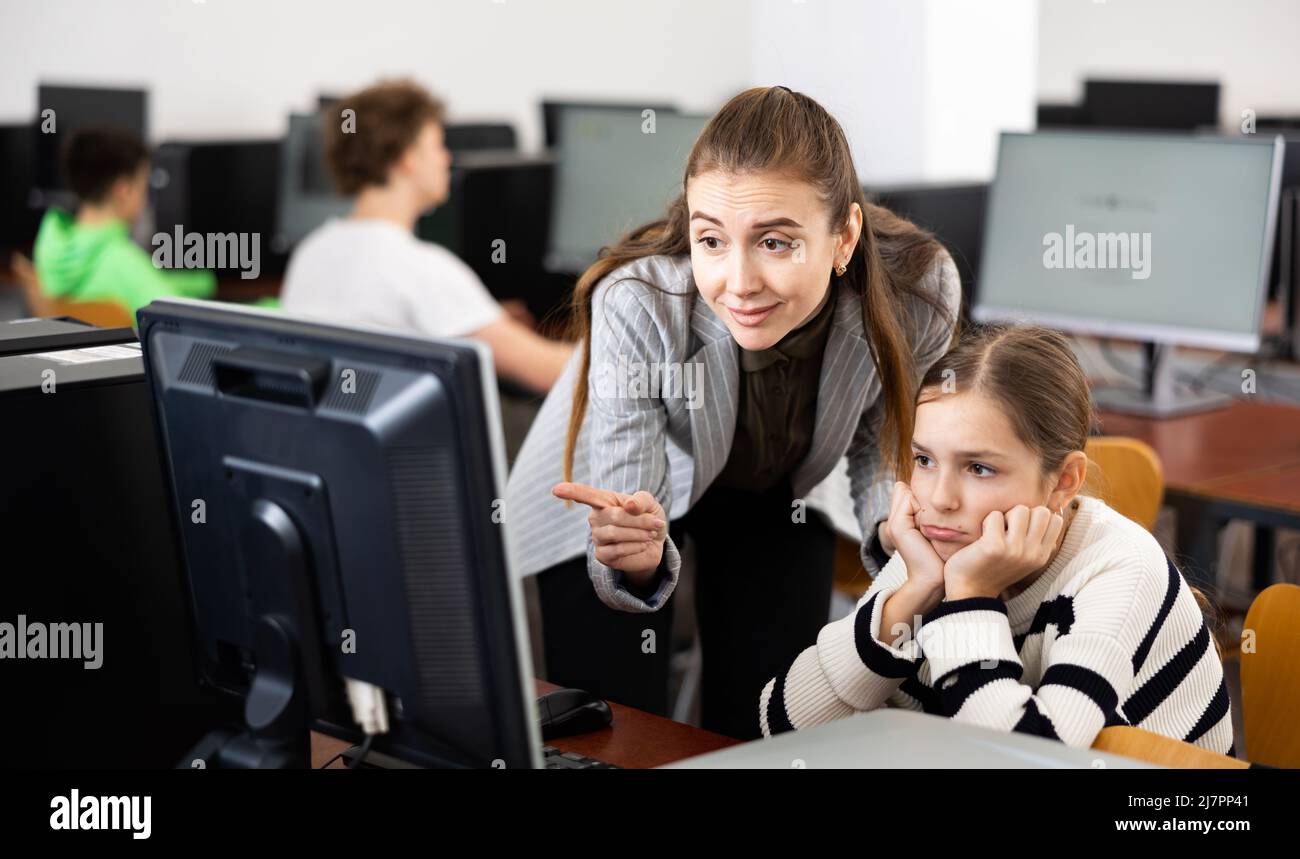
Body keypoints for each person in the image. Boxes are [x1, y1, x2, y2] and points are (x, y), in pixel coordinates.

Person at [505, 86, 961, 738]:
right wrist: (634, 550)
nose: (739, 281)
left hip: (777, 484)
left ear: (843, 237)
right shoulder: (639, 300)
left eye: (775, 242)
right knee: (613, 729)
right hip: (621, 492)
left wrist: (897, 531)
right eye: (712, 239)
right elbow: (629, 485)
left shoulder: (918, 287)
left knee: (768, 721)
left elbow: (876, 438)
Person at [759, 322, 1234, 756]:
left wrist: (969, 597)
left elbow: (1031, 761)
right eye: (924, 460)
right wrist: (911, 597)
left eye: (979, 468)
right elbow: (781, 724)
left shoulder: (1119, 569)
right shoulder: (940, 547)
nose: (940, 499)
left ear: (1064, 481)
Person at [280, 79, 571, 393]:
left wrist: (484, 319)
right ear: (407, 157)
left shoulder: (311, 252)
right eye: (437, 145)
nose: (446, 159)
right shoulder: (423, 269)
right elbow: (552, 371)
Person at [33, 127, 215, 317]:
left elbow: (146, 280)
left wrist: (205, 280)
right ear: (124, 191)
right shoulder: (121, 261)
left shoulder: (51, 246)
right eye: (144, 186)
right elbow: (185, 320)